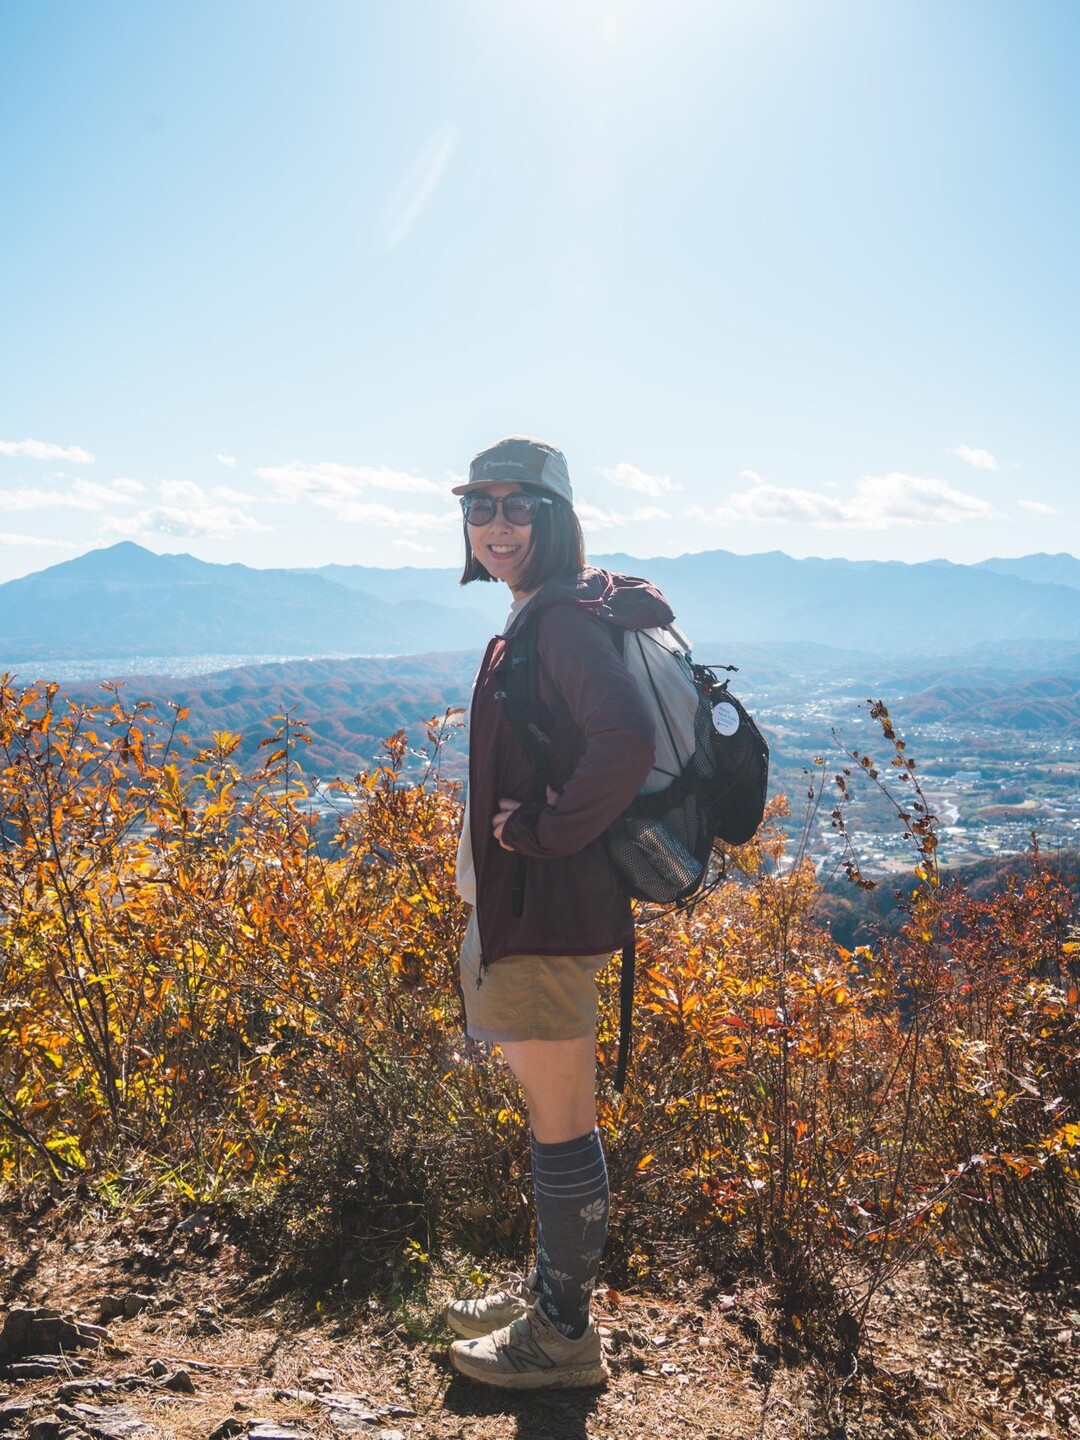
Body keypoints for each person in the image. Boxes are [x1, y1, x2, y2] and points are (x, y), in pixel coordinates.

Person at [444, 435, 673, 1390]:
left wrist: (539, 831)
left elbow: (620, 742)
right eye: (479, 507)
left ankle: (563, 1338)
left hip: (545, 907)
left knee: (561, 1120)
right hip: (522, 908)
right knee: (551, 1109)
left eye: (517, 507)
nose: (496, 525)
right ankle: (550, 1296)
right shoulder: (543, 613)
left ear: (557, 517)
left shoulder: (563, 624)